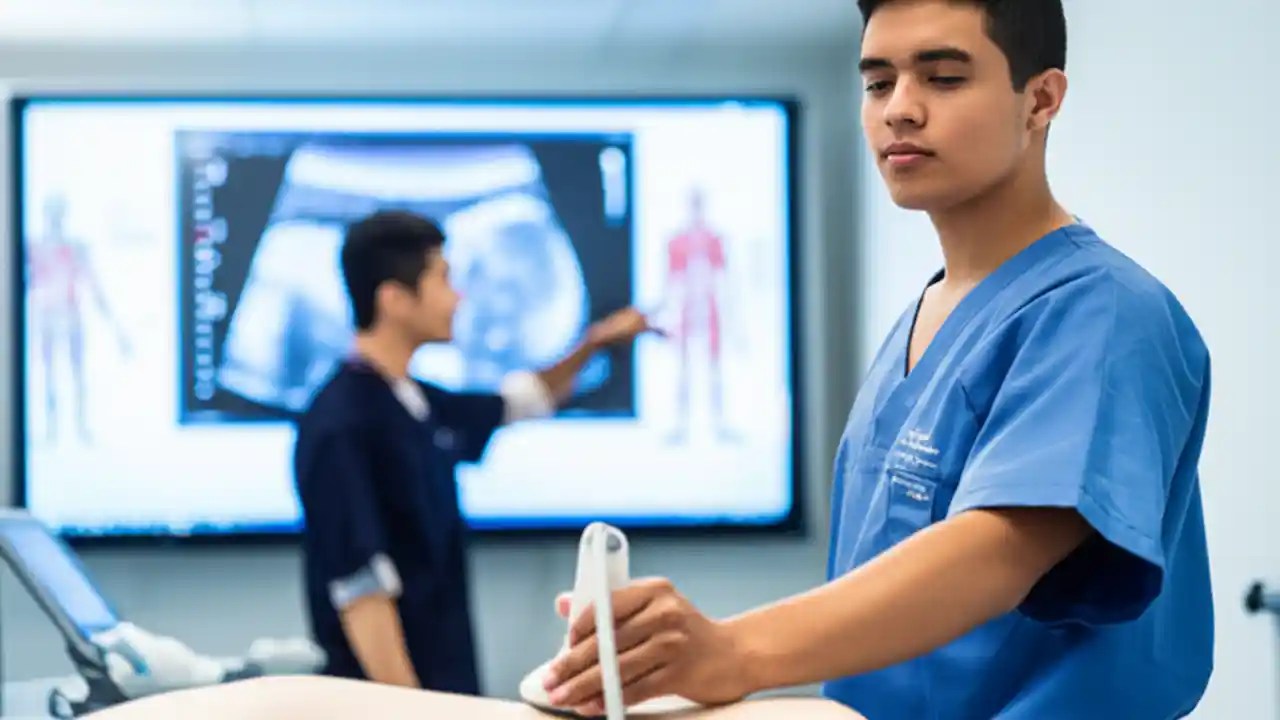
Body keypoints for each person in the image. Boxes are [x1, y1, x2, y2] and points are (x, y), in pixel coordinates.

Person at [539, 1, 1215, 718]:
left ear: (1041, 99)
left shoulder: (1105, 312)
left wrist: (730, 651)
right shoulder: (923, 319)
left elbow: (1000, 548)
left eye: (944, 78)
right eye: (877, 83)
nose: (900, 110)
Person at [292, 210, 655, 696]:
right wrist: (414, 709)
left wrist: (595, 344)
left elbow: (523, 400)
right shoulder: (341, 423)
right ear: (395, 299)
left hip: (442, 689)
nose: (458, 297)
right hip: (391, 704)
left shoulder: (414, 402)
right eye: (443, 279)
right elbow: (362, 591)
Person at [663, 188, 734, 442]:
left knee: (714, 370)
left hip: (709, 311)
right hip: (687, 311)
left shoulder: (714, 240)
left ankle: (720, 423)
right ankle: (681, 425)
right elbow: (672, 283)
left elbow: (723, 281)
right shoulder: (678, 241)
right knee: (684, 370)